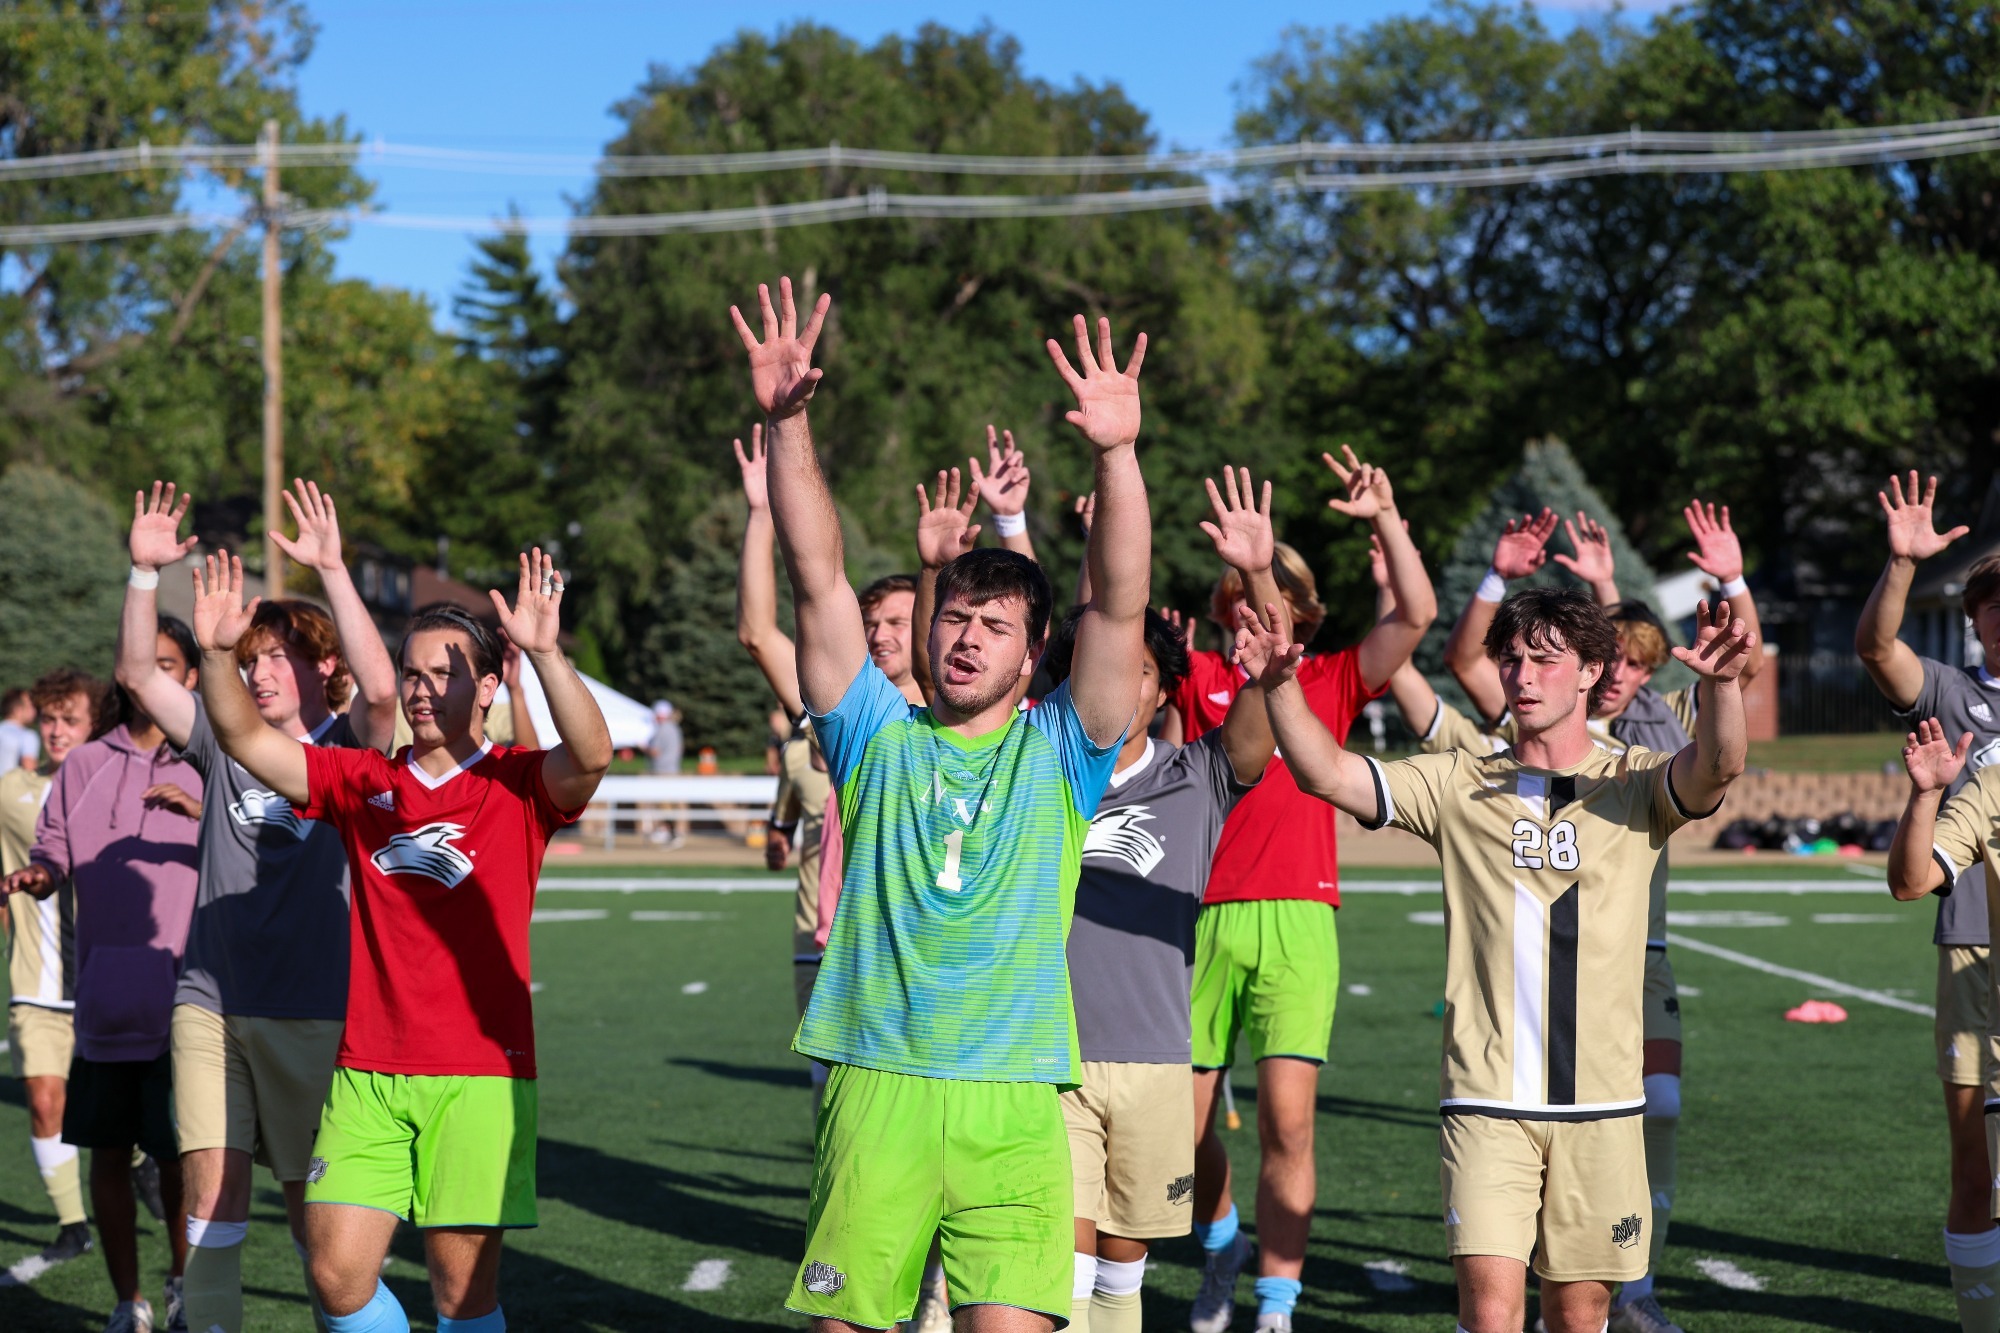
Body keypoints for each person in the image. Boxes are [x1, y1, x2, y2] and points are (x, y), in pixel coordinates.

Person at [733, 275, 1148, 1332]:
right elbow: (817, 576)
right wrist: (787, 426)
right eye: (955, 617)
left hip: (1015, 1099)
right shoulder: (873, 735)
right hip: (879, 1080)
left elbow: (1119, 603)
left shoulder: (1063, 749)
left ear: (1033, 655)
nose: (966, 637)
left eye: (994, 626)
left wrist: (1117, 455)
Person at [1265, 585, 1752, 1333]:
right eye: (1513, 659)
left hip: (1602, 1105)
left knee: (1579, 1314)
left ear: (1591, 671)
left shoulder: (1636, 781)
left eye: (1545, 660)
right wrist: (1277, 683)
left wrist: (1721, 686)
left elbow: (1717, 766)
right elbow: (1326, 772)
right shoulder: (1458, 780)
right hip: (1487, 1100)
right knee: (1490, 1313)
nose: (1523, 675)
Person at [186, 547, 611, 1333]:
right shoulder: (363, 780)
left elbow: (592, 755)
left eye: (443, 673)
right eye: (412, 673)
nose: (421, 688)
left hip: (479, 1074)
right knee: (336, 1276)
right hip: (366, 1072)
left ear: (487, 687)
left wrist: (548, 655)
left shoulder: (518, 783)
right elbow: (245, 738)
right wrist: (215, 656)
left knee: (461, 1297)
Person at [1442, 501, 1766, 1333]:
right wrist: (1587, 585)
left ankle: (1634, 1280)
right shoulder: (1532, 718)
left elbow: (1736, 698)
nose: (1621, 673)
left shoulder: (1656, 731)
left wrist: (1731, 584)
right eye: (1612, 658)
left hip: (1636, 959)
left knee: (1659, 1104)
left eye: (1633, 663)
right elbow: (1491, 656)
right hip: (1520, 1004)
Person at [116, 479, 398, 1333]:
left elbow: (385, 694)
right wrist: (143, 574)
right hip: (210, 998)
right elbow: (137, 672)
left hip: (319, 1011)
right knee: (211, 1207)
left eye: (276, 656)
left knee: (324, 1239)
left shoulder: (350, 746)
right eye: (250, 658)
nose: (259, 671)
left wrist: (335, 570)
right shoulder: (221, 734)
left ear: (323, 668)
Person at [1180, 448, 1438, 1333]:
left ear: (1304, 610)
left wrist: (1387, 518)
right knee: (1180, 1128)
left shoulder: (1329, 678)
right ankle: (1221, 1241)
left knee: (1289, 1127)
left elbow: (1417, 615)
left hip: (1299, 915)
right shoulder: (1197, 678)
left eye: (1275, 595)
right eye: (1243, 593)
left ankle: (1277, 1304)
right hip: (1199, 917)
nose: (1255, 606)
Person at [1049, 466, 1285, 1333]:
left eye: (1142, 670)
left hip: (1155, 1061)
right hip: (1050, 1056)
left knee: (1123, 1273)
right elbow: (1096, 615)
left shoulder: (1199, 775)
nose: (1122, 682)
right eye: (1109, 668)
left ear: (1163, 687)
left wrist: (1259, 583)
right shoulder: (1045, 769)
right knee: (1064, 1267)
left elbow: (1265, 702)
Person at [4, 617, 206, 1333]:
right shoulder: (86, 763)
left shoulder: (213, 757)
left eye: (169, 663)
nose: (152, 673)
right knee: (110, 1157)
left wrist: (201, 808)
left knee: (181, 1162)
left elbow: (254, 841)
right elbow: (53, 848)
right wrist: (39, 873)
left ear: (191, 676)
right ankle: (129, 1302)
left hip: (187, 1004)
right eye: (142, 661)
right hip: (105, 1001)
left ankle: (184, 1283)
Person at [1856, 471, 2000, 1333]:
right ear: (1977, 620)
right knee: (1977, 1164)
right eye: (1995, 607)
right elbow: (1877, 647)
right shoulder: (1953, 694)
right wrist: (1904, 564)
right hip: (1975, 942)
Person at [1, 668, 102, 1282]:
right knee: (44, 1101)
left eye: (71, 720)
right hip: (35, 982)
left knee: (117, 1120)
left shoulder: (114, 786)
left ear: (95, 725)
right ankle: (73, 1226)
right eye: (49, 719)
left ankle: (143, 1165)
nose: (57, 731)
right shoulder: (10, 790)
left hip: (106, 984)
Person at [645, 699, 688, 848]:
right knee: (669, 804)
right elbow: (680, 749)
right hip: (673, 770)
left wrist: (642, 746)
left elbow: (655, 752)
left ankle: (669, 833)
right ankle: (669, 832)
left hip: (662, 772)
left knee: (664, 805)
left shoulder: (662, 729)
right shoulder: (675, 728)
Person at [0, 686, 41, 771]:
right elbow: (29, 768)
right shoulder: (27, 735)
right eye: (31, 706)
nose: (35, 710)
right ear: (17, 710)